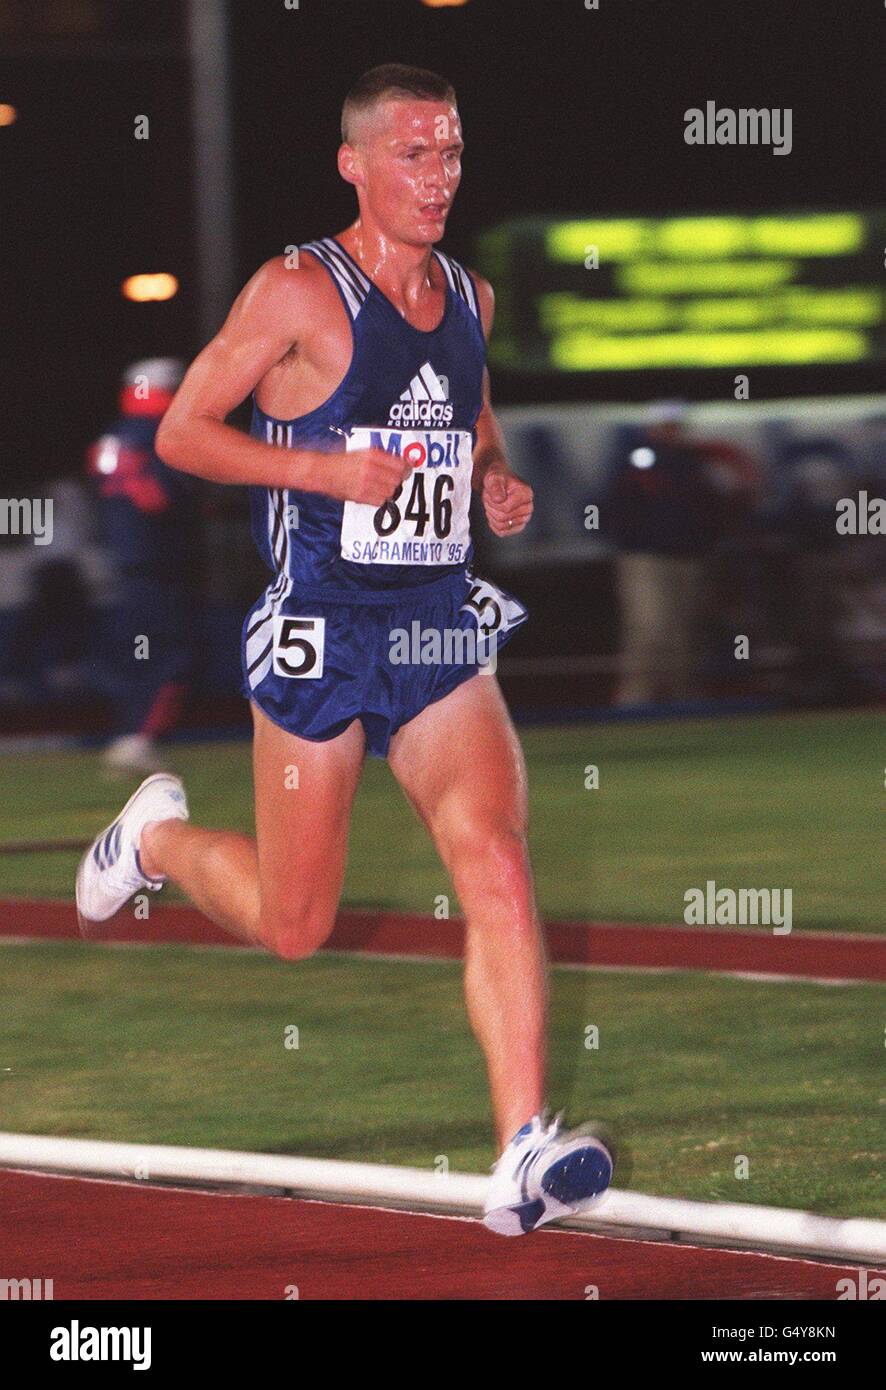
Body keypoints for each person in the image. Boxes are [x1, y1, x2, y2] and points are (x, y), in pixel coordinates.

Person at [75, 65, 612, 1235]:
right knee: (295, 925)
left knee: (496, 855)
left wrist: (498, 481)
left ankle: (521, 1149)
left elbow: (467, 422)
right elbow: (184, 433)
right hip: (322, 624)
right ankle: (155, 834)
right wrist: (320, 469)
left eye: (452, 152)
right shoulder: (294, 291)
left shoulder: (468, 295)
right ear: (354, 165)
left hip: (431, 622)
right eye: (414, 155)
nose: (438, 177)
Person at [85, 358, 201, 774]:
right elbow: (162, 499)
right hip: (155, 564)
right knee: (169, 652)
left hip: (119, 564)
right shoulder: (159, 435)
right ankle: (139, 738)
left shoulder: (112, 438)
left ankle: (129, 734)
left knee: (137, 652)